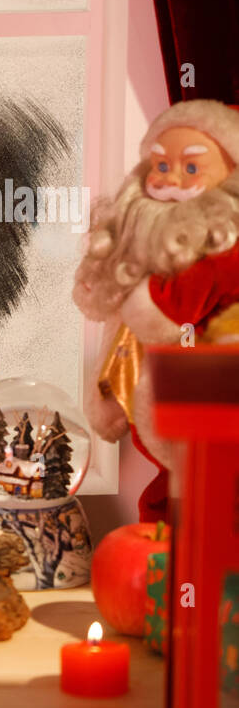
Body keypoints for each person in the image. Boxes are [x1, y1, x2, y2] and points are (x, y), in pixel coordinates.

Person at [72, 98, 239, 519]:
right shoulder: (146, 247)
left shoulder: (224, 255)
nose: (171, 181)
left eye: (192, 167)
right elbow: (122, 331)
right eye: (161, 167)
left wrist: (139, 300)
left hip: (213, 425)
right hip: (175, 448)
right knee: (171, 510)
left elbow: (160, 314)